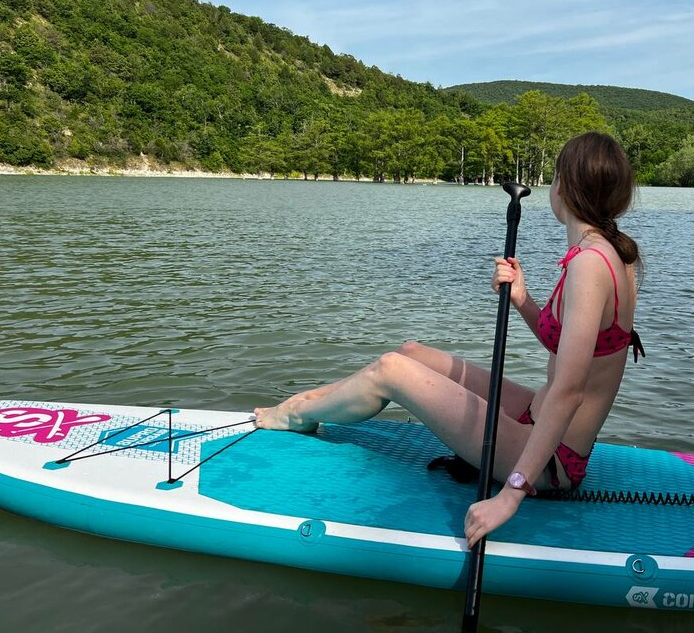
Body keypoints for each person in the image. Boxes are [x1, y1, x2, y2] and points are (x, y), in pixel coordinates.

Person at [254, 131, 643, 547]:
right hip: (536, 416)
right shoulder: (610, 255)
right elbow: (568, 348)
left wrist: (511, 494)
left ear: (563, 185)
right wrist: (523, 299)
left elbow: (569, 389)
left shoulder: (590, 265)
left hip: (550, 460)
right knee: (410, 353)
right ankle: (311, 403)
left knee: (391, 370)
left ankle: (295, 415)